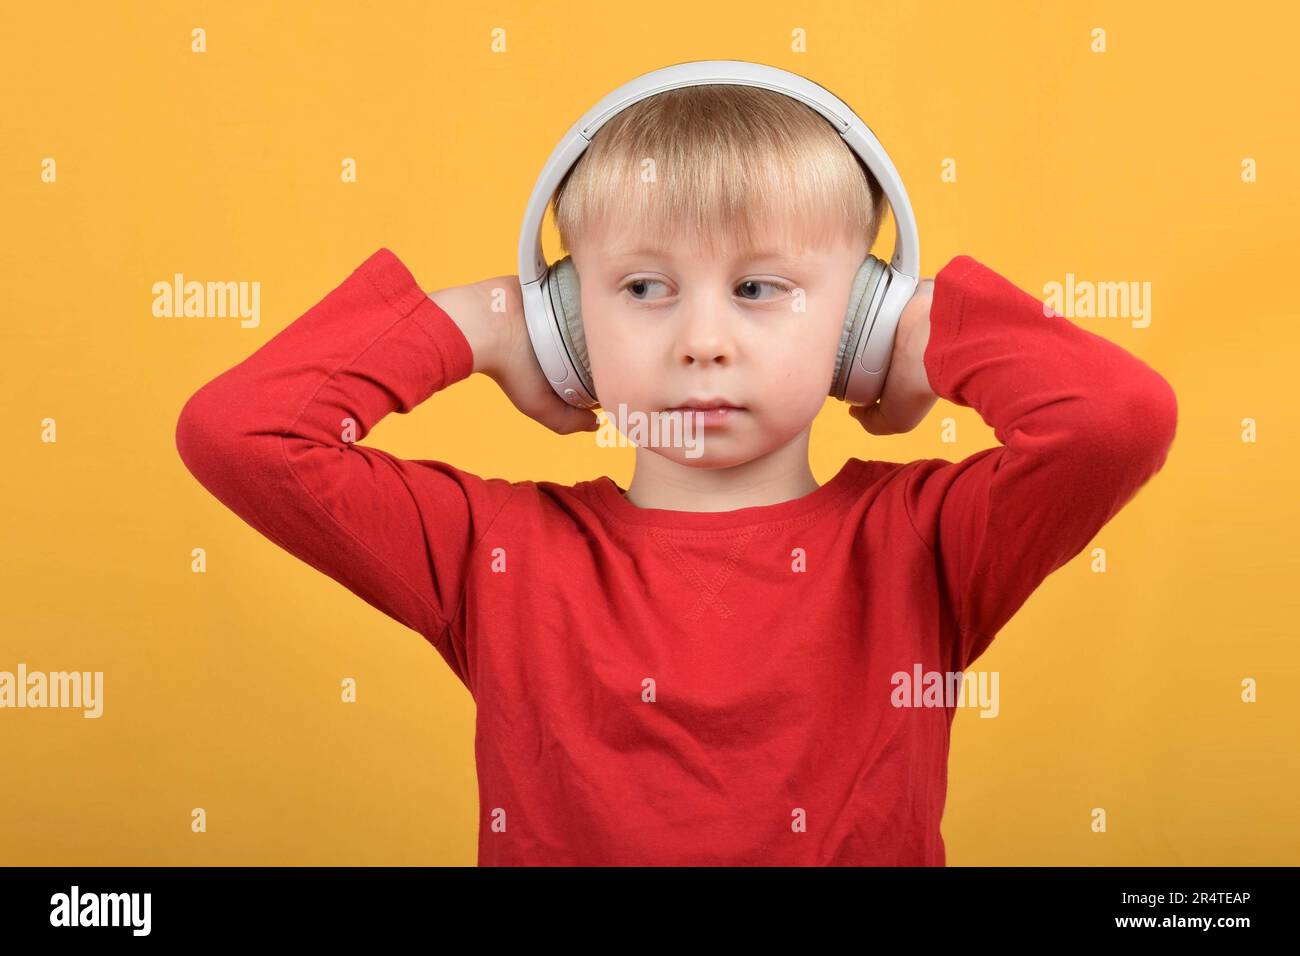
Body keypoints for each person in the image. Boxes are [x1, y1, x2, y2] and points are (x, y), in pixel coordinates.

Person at [174, 84, 1178, 865]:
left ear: (856, 320)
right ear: (567, 324)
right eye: (643, 287)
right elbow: (240, 433)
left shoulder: (924, 545)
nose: (703, 339)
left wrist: (922, 327)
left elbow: (1115, 419)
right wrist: (488, 321)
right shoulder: (495, 552)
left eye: (759, 287)